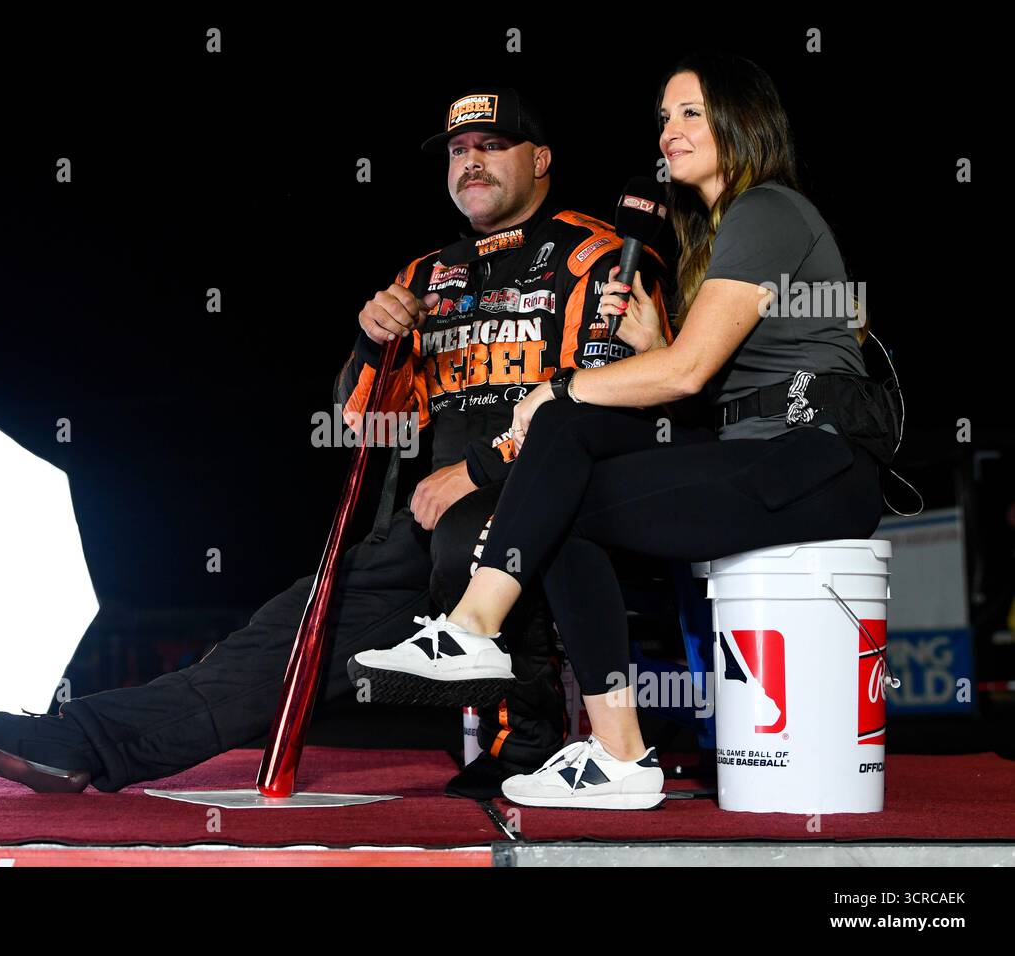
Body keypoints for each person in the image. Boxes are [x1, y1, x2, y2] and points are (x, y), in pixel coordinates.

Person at [0, 87, 672, 800]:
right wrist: (371, 339)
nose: (470, 163)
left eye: (491, 146)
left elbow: (610, 403)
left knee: (464, 545)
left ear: (541, 159)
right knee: (292, 634)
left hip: (544, 502)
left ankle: (532, 742)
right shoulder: (427, 274)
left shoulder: (599, 256)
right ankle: (83, 742)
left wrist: (483, 469)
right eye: (458, 151)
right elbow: (368, 422)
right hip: (429, 512)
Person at [349, 54, 889, 810]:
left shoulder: (767, 209)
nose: (669, 132)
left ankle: (479, 626)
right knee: (566, 479)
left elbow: (690, 373)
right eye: (664, 117)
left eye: (691, 113)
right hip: (754, 455)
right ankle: (614, 750)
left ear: (744, 121)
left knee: (566, 418)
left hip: (814, 463)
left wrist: (560, 386)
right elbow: (692, 386)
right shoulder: (717, 233)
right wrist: (644, 353)